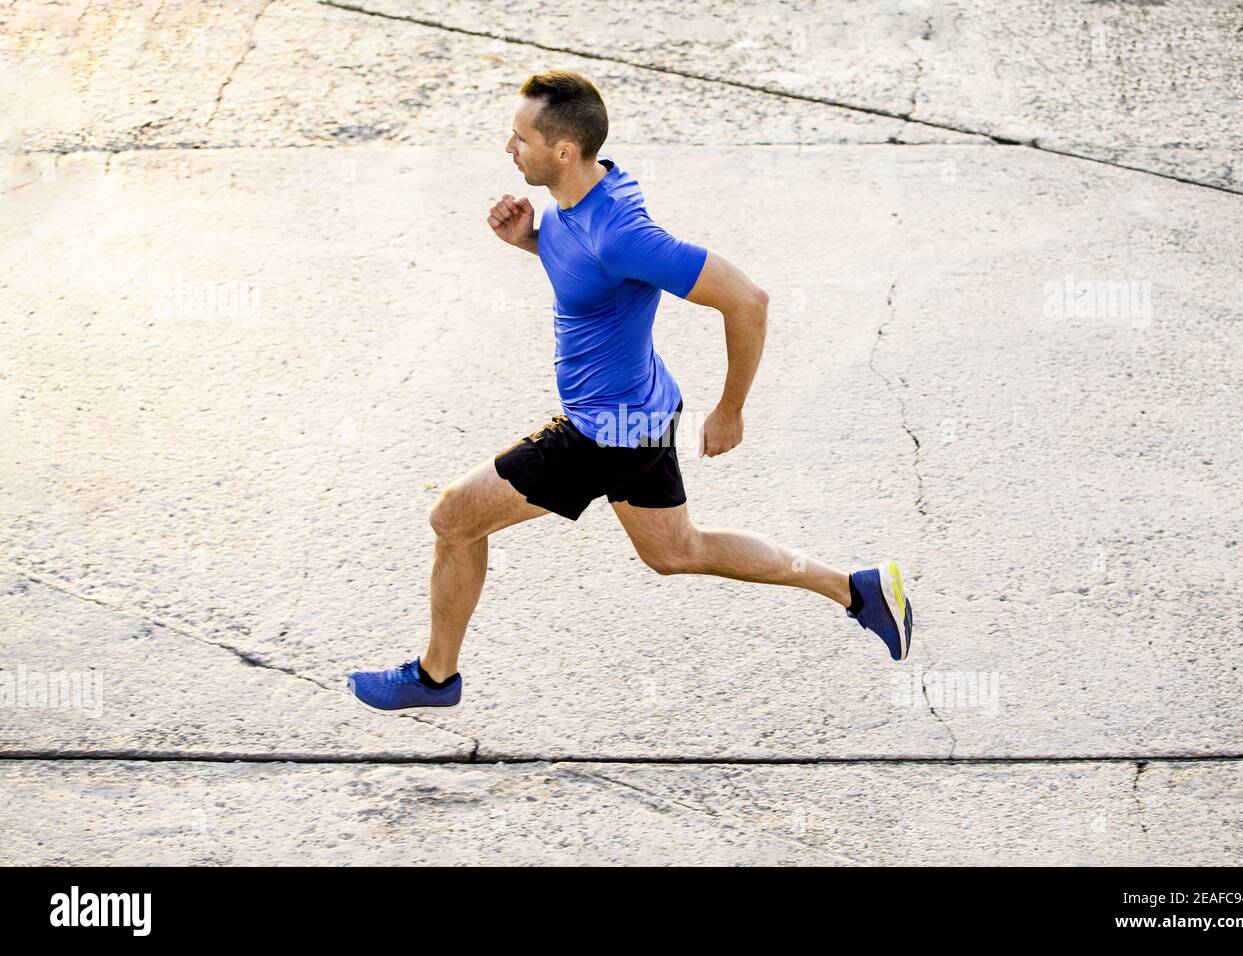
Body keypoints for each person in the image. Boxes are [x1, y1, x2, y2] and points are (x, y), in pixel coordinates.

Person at [348, 70, 913, 711]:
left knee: (452, 517)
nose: (509, 147)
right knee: (677, 552)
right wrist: (531, 241)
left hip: (605, 431)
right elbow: (595, 270)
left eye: (520, 137)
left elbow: (748, 301)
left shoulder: (623, 232)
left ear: (563, 151)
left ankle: (434, 676)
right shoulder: (585, 193)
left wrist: (731, 410)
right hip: (644, 411)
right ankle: (858, 590)